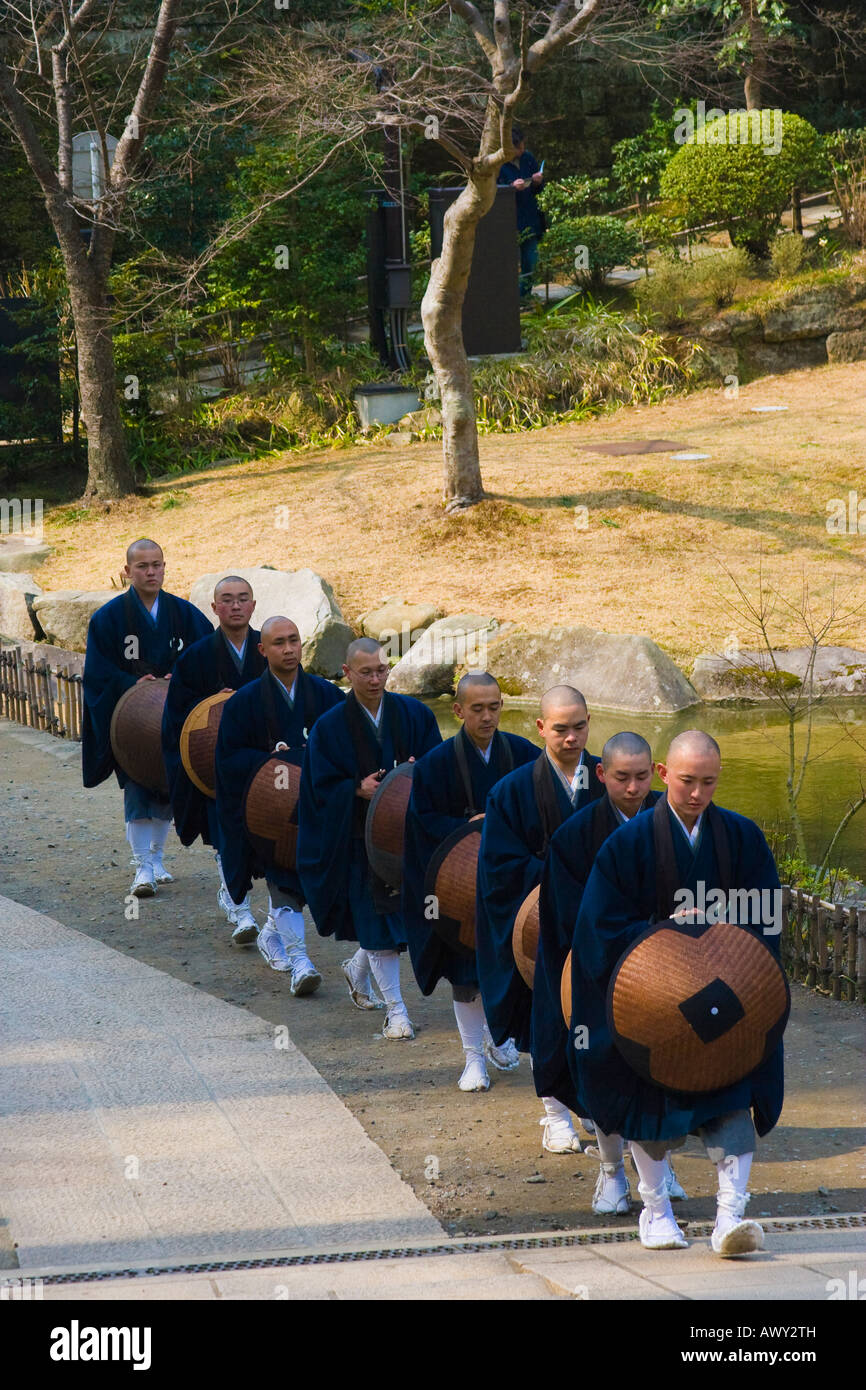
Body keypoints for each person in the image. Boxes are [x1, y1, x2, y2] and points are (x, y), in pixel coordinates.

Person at [569, 730, 784, 1256]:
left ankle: (730, 1218)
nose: (696, 793)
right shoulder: (629, 843)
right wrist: (661, 934)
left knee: (732, 1095)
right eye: (687, 781)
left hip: (727, 1003)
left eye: (708, 782)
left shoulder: (741, 837)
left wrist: (718, 931)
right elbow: (598, 928)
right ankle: (656, 1211)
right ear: (664, 774)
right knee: (651, 1105)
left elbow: (766, 918)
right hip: (650, 1007)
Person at [534, 732, 683, 1213]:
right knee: (602, 1069)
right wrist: (642, 930)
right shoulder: (575, 836)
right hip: (596, 968)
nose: (635, 788)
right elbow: (571, 918)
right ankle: (610, 1171)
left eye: (643, 777)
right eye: (622, 777)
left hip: (666, 971)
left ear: (656, 771)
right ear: (601, 773)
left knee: (664, 1068)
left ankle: (660, 1165)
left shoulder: (674, 822)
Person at [476, 686, 603, 1152]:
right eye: (561, 729)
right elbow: (498, 869)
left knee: (597, 1017)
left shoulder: (608, 780)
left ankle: (591, 1105)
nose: (572, 738)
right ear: (540, 727)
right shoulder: (510, 791)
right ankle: (554, 1115)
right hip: (538, 925)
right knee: (544, 1019)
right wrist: (562, 873)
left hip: (597, 922)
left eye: (580, 727)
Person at [297, 637, 442, 1037]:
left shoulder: (415, 714)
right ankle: (397, 1012)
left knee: (402, 921)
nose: (376, 679)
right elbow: (315, 790)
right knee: (377, 926)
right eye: (366, 672)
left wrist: (415, 775)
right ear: (347, 673)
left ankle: (356, 968)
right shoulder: (328, 727)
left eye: (381, 670)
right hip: (359, 841)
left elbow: (438, 768)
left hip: (405, 841)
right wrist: (354, 790)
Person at [402, 672, 538, 1091]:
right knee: (465, 972)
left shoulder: (523, 754)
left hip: (510, 887)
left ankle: (502, 1038)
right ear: (458, 710)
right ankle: (472, 1058)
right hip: (457, 889)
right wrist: (466, 826)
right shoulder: (435, 763)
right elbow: (421, 824)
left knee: (516, 965)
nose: (487, 716)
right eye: (477, 708)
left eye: (494, 707)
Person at [214, 616, 344, 993]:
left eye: (294, 641)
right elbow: (228, 760)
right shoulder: (244, 702)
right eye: (279, 643)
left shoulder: (326, 695)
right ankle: (300, 961)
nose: (288, 650)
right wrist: (268, 760)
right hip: (268, 814)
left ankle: (271, 933)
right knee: (282, 877)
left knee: (312, 879)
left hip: (319, 809)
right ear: (263, 650)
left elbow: (348, 749)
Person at [82, 539, 211, 899]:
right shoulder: (108, 618)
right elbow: (97, 672)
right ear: (127, 571)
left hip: (173, 717)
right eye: (142, 566)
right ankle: (141, 866)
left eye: (157, 565)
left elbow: (206, 657)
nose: (151, 572)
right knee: (139, 784)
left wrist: (179, 681)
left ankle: (157, 858)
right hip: (131, 721)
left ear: (165, 567)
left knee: (168, 784)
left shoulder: (184, 614)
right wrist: (130, 684)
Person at [162, 576, 266, 944]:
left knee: (264, 834)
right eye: (227, 600)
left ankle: (249, 899)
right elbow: (176, 714)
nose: (235, 606)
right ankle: (239, 908)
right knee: (224, 832)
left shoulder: (268, 648)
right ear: (214, 608)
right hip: (215, 766)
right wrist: (212, 703)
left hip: (263, 762)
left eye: (242, 599)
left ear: (253, 605)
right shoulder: (196, 656)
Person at [498, 125, 545, 301]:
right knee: (508, 263)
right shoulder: (499, 165)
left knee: (530, 260)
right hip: (509, 221)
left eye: (523, 145)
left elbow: (540, 190)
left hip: (530, 218)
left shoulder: (528, 158)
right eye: (519, 146)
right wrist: (510, 188)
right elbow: (491, 192)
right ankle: (508, 299)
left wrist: (537, 181)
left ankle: (524, 296)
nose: (522, 149)